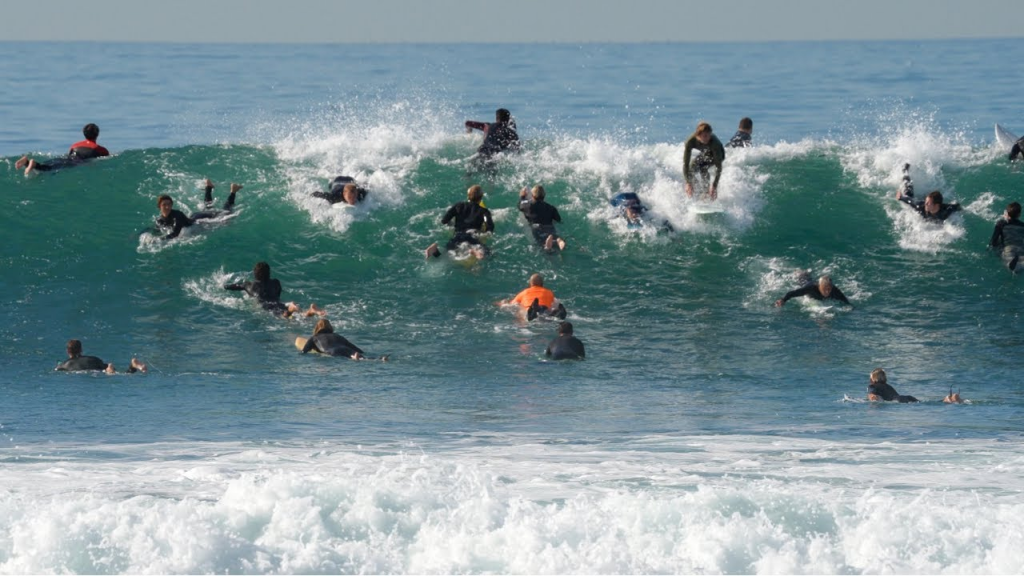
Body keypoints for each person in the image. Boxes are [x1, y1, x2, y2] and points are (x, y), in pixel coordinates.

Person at [224, 261, 324, 318]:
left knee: (285, 317)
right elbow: (278, 295)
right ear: (269, 273)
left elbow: (236, 287)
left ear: (255, 274)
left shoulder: (250, 285)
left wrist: (225, 286)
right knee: (300, 315)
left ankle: (292, 308)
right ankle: (311, 310)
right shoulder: (276, 282)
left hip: (268, 306)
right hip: (279, 303)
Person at [424, 185, 495, 260]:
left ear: (468, 196)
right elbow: (490, 227)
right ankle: (474, 251)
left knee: (446, 252)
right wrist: (485, 232)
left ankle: (435, 249)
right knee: (489, 253)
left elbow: (444, 220)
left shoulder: (459, 206)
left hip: (458, 235)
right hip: (472, 236)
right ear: (481, 197)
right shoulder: (484, 211)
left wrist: (451, 225)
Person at [156, 180, 241, 240]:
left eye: (169, 204)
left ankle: (233, 191)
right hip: (195, 216)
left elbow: (175, 234)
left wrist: (159, 240)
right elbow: (157, 229)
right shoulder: (160, 219)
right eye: (164, 205)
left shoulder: (177, 216)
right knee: (208, 207)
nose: (167, 207)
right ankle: (208, 187)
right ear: (159, 206)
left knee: (227, 212)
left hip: (200, 219)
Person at [15, 123, 111, 175]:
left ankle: (28, 162)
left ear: (84, 133)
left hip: (67, 158)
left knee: (48, 165)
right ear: (97, 134)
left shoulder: (75, 145)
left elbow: (69, 155)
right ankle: (32, 163)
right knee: (50, 170)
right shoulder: (101, 150)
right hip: (76, 161)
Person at [896, 163, 961, 222]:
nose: (925, 204)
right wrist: (901, 197)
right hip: (915, 201)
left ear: (936, 205)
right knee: (908, 193)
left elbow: (957, 206)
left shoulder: (946, 210)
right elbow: (910, 200)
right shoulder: (921, 207)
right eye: (926, 202)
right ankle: (905, 172)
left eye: (928, 203)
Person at [299, 319, 387, 361]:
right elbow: (354, 347)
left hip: (332, 352)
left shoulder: (315, 337)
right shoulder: (337, 336)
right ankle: (380, 358)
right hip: (346, 348)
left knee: (345, 358)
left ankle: (354, 358)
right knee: (363, 358)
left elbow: (304, 351)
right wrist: (360, 353)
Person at [683, 121, 726, 200]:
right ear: (698, 135)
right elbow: (685, 164)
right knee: (691, 168)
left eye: (709, 135)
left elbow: (719, 167)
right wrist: (688, 182)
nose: (708, 138)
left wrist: (714, 186)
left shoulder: (714, 143)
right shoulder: (690, 142)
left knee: (704, 168)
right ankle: (698, 190)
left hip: (718, 153)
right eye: (705, 136)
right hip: (706, 152)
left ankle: (707, 192)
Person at [498, 273, 567, 321]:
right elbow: (554, 303)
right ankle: (556, 313)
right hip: (544, 309)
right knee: (548, 314)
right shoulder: (549, 292)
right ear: (542, 284)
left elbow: (511, 304)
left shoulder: (524, 292)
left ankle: (533, 310)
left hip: (528, 309)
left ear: (530, 283)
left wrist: (501, 303)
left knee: (520, 312)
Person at [55, 339, 146, 374]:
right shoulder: (93, 358)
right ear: (81, 350)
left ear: (67, 351)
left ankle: (110, 370)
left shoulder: (64, 365)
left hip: (83, 372)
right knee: (119, 373)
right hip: (97, 366)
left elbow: (56, 371)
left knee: (115, 375)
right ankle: (132, 365)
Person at [518, 185, 566, 251]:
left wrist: (522, 196)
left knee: (542, 245)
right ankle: (558, 240)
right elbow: (559, 220)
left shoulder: (527, 206)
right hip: (549, 227)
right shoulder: (551, 208)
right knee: (553, 235)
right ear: (544, 195)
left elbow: (520, 205)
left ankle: (547, 247)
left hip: (537, 227)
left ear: (532, 195)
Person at [775, 275, 851, 307]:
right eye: (825, 289)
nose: (827, 292)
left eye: (829, 289)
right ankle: (800, 273)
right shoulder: (811, 288)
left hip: (816, 282)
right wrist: (783, 300)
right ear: (819, 287)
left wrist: (850, 306)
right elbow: (793, 293)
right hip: (806, 283)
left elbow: (844, 299)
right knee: (803, 278)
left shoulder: (834, 290)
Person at [989, 201, 1024, 272]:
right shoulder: (1022, 225)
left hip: (1009, 248)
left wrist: (991, 248)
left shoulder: (1001, 224)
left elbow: (993, 241)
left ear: (1007, 213)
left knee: (1007, 262)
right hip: (1020, 247)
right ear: (1019, 214)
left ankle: (1012, 266)